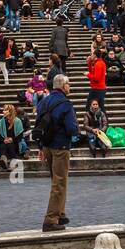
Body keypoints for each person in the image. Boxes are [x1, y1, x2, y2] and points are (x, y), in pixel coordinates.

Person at [34, 73, 79, 232]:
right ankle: (51, 219)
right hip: (60, 146)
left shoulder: (44, 101)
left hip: (46, 146)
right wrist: (79, 134)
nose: (70, 87)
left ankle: (60, 213)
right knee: (59, 182)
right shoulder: (66, 104)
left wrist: (40, 147)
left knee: (56, 180)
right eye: (69, 84)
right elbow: (72, 128)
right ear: (62, 85)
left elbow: (38, 124)